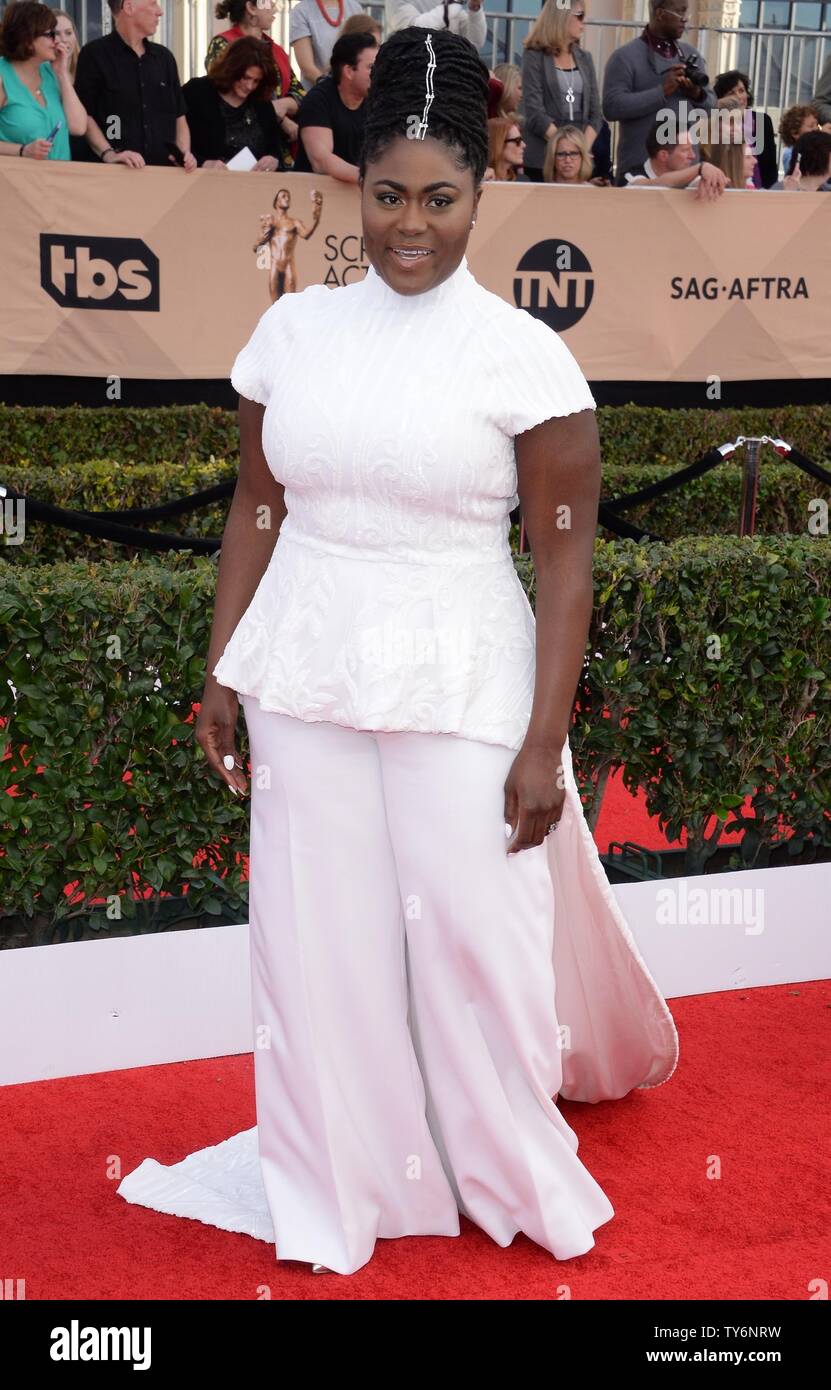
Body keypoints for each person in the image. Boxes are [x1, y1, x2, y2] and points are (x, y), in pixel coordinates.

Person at [115, 26, 679, 1279]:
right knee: (317, 940)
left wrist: (544, 742)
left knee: (479, 934)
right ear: (351, 187)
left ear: (485, 192)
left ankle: (502, 1171)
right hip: (307, 665)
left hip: (463, 669)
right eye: (384, 196)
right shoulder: (297, 338)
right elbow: (256, 506)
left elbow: (566, 555)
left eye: (439, 198)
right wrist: (223, 667)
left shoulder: (525, 358)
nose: (408, 226)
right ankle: (341, 1182)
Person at [602, 0, 715, 185]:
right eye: (680, 13)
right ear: (660, 13)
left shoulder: (689, 54)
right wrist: (662, 91)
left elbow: (711, 106)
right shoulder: (624, 57)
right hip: (639, 174)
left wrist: (696, 94)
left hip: (686, 173)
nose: (685, 20)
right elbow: (612, 107)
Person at [74, 0, 195, 168]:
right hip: (115, 175)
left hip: (165, 175)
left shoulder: (164, 58)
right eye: (153, 4)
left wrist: (183, 154)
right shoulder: (94, 55)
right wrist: (109, 154)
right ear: (129, 7)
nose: (160, 12)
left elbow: (179, 116)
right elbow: (85, 114)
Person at [204, 0, 304, 162]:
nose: (274, 8)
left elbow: (300, 94)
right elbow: (231, 93)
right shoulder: (224, 45)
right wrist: (279, 118)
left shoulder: (276, 50)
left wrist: (283, 105)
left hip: (277, 150)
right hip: (237, 148)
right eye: (268, 2)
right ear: (251, 7)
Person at [519, 0, 600, 183]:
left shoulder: (585, 58)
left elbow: (596, 114)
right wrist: (565, 147)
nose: (583, 22)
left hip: (577, 164)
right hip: (542, 158)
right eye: (579, 16)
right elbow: (534, 112)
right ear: (561, 17)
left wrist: (580, 151)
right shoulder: (534, 56)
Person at [0, 0, 87, 160]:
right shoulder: (3, 75)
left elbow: (79, 127)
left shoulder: (51, 72)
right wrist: (22, 150)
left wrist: (62, 74)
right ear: (27, 38)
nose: (58, 41)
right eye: (51, 34)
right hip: (18, 182)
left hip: (58, 180)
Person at [183, 37, 285, 170]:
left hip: (252, 185)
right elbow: (177, 141)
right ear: (231, 69)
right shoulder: (197, 92)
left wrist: (272, 159)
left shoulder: (261, 102)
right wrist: (203, 163)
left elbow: (274, 147)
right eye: (246, 78)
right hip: (203, 182)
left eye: (256, 81)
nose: (249, 86)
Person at [292, 29, 376, 182]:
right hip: (315, 197)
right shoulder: (318, 100)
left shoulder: (376, 101)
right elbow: (321, 161)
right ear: (349, 71)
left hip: (358, 194)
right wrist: (368, 179)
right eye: (371, 67)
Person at [624, 120, 728, 198]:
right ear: (663, 155)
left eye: (692, 148)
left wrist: (711, 182)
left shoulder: (690, 175)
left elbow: (701, 184)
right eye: (685, 150)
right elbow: (654, 184)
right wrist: (699, 168)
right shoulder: (632, 176)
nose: (693, 156)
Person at [713, 68, 776, 188]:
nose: (738, 97)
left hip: (761, 192)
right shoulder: (717, 123)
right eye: (731, 93)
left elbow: (770, 165)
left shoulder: (762, 121)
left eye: (741, 91)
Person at [289, 0, 366, 92]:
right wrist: (334, 91)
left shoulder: (355, 8)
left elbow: (365, 54)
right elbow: (307, 68)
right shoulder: (301, 11)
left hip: (354, 95)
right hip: (319, 96)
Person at [386, 0, 487, 51]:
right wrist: (454, 2)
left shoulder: (451, 7)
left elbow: (475, 42)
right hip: (408, 71)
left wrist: (475, 8)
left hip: (446, 73)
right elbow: (412, 31)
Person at [779, 103, 821, 177]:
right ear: (795, 133)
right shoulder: (790, 154)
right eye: (811, 126)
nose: (816, 129)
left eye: (817, 125)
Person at [485, 114, 525, 180]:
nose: (524, 145)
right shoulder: (477, 182)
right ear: (499, 144)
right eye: (517, 140)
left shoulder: (523, 181)